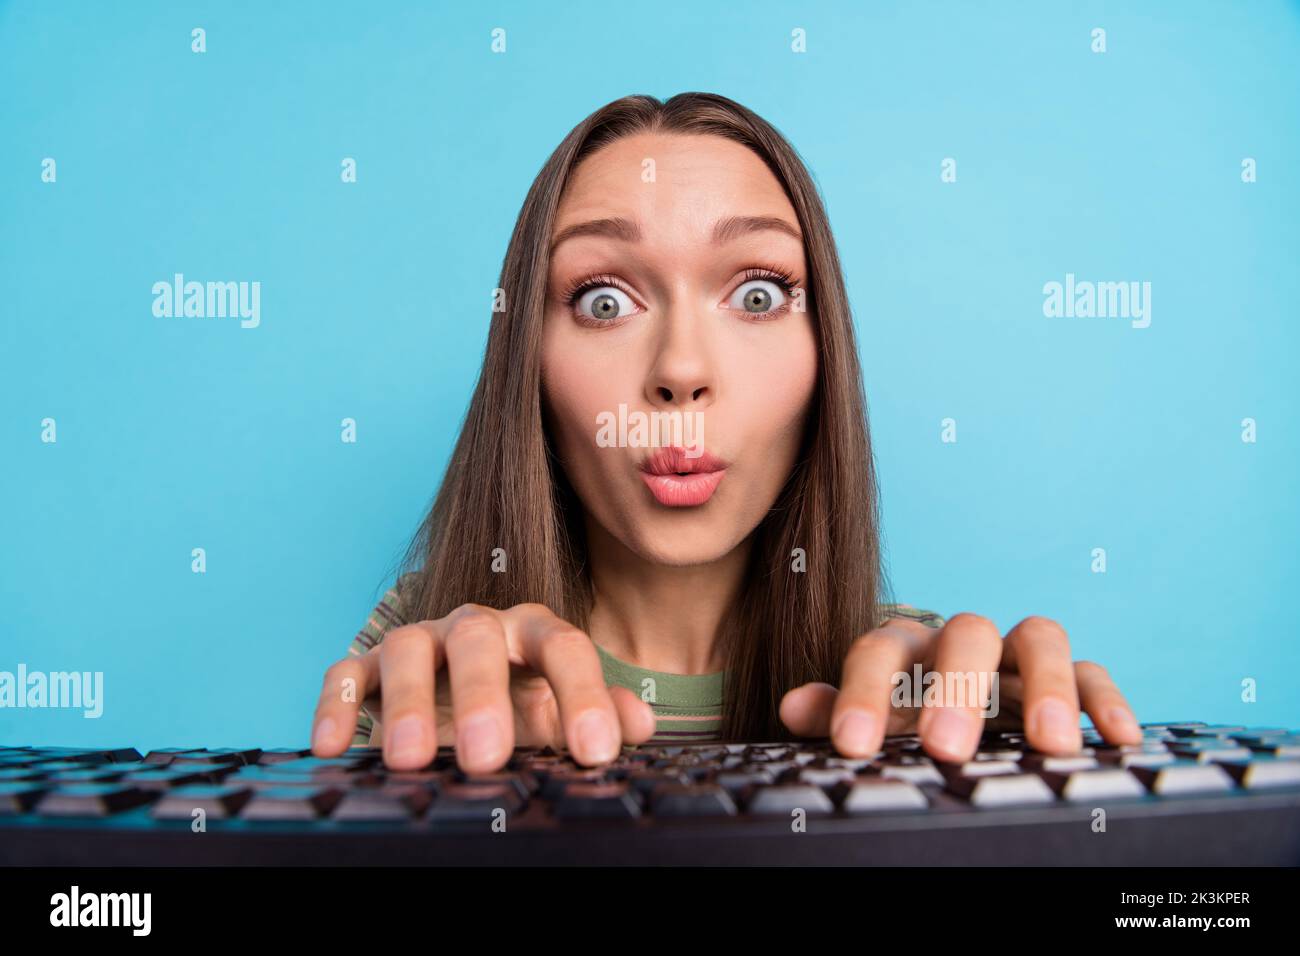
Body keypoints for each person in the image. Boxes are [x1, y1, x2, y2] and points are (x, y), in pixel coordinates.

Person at [310, 92, 1143, 774]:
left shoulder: (913, 682)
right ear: (526, 359)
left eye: (757, 295)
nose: (680, 369)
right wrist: (409, 796)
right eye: (604, 300)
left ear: (827, 354)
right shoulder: (425, 649)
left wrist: (1007, 793)